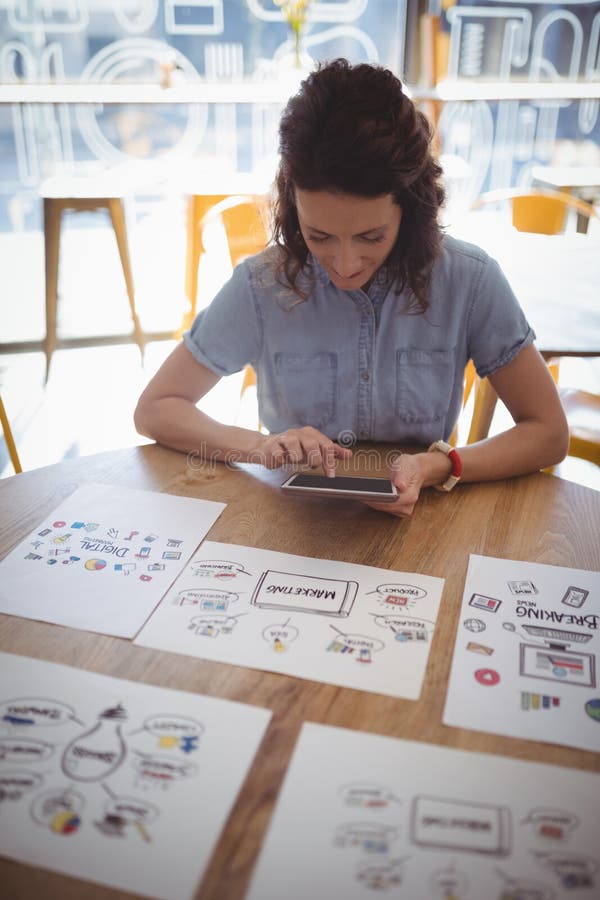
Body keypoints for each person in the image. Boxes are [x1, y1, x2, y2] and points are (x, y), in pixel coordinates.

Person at [134, 58, 569, 518]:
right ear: (292, 203)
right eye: (319, 236)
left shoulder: (469, 279)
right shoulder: (264, 284)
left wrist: (439, 465)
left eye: (370, 237)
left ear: (411, 207)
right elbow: (157, 408)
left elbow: (547, 432)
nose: (344, 264)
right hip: (293, 523)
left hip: (421, 525)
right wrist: (264, 447)